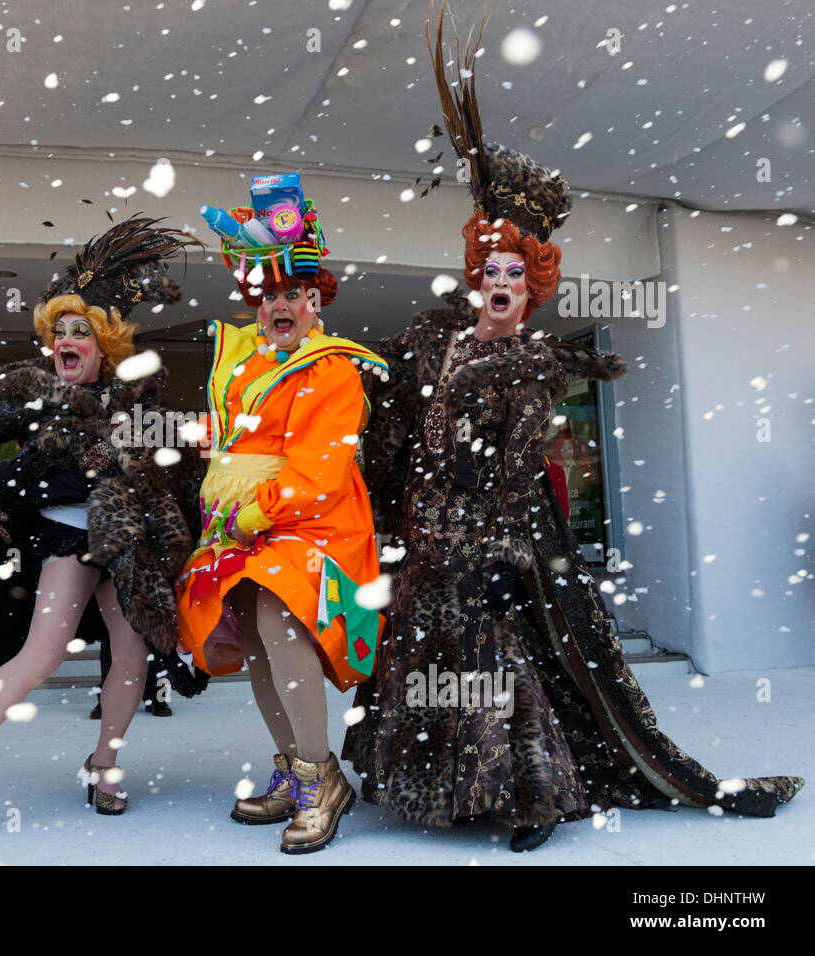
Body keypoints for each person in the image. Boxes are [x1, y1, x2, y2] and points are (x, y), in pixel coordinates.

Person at [343, 7, 804, 852]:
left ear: (535, 284)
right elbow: (396, 437)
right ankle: (432, 787)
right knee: (424, 667)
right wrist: (380, 523)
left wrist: (503, 557)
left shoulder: (534, 363)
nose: (501, 283)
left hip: (492, 538)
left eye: (518, 273)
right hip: (423, 535)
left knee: (499, 667)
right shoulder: (426, 342)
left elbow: (518, 465)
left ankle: (529, 796)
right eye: (491, 268)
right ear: (474, 271)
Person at [0, 217, 204, 842]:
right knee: (38, 656)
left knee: (132, 657)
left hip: (127, 547)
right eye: (61, 331)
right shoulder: (40, 402)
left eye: (81, 332)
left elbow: (169, 463)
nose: (67, 341)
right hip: (67, 541)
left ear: (104, 345)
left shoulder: (133, 403)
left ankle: (105, 764)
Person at [174, 198, 390, 855]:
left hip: (315, 522)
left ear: (317, 299)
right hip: (243, 521)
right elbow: (236, 443)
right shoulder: (248, 366)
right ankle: (298, 769)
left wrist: (256, 510)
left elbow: (320, 469)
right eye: (269, 293)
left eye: (295, 290)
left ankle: (321, 778)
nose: (281, 304)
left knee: (275, 612)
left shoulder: (332, 369)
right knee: (256, 634)